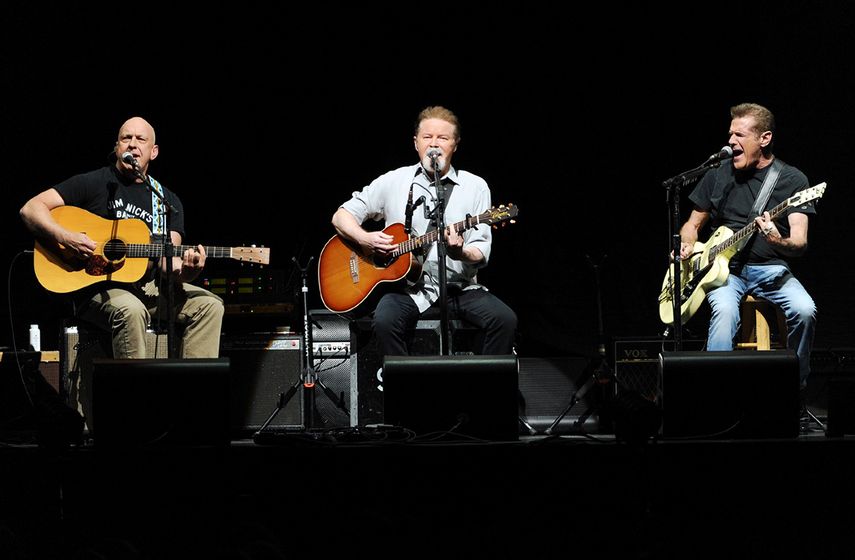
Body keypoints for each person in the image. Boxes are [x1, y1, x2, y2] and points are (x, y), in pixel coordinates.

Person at [20, 116, 224, 359]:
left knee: (210, 306)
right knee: (130, 309)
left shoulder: (164, 202)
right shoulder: (94, 182)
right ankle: (132, 394)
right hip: (95, 287)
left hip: (146, 288)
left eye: (141, 139)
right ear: (117, 147)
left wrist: (188, 272)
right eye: (126, 138)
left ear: (153, 151)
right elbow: (31, 209)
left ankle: (194, 391)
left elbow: (168, 266)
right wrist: (67, 237)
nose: (132, 144)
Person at [331, 105, 517, 356]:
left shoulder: (476, 187)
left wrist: (460, 252)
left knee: (504, 320)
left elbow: (480, 252)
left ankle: (484, 391)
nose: (434, 145)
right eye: (427, 137)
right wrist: (365, 239)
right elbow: (341, 216)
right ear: (416, 142)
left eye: (443, 138)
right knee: (385, 321)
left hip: (459, 290)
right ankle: (404, 389)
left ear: (455, 144)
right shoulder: (394, 181)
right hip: (408, 291)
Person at [679, 102, 817, 400]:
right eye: (731, 134)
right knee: (726, 312)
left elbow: (800, 242)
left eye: (740, 136)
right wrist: (687, 243)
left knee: (805, 311)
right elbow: (692, 224)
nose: (731, 142)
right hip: (725, 272)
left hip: (771, 270)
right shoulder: (717, 174)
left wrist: (776, 239)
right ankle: (716, 395)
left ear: (764, 139)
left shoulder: (794, 181)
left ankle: (795, 391)